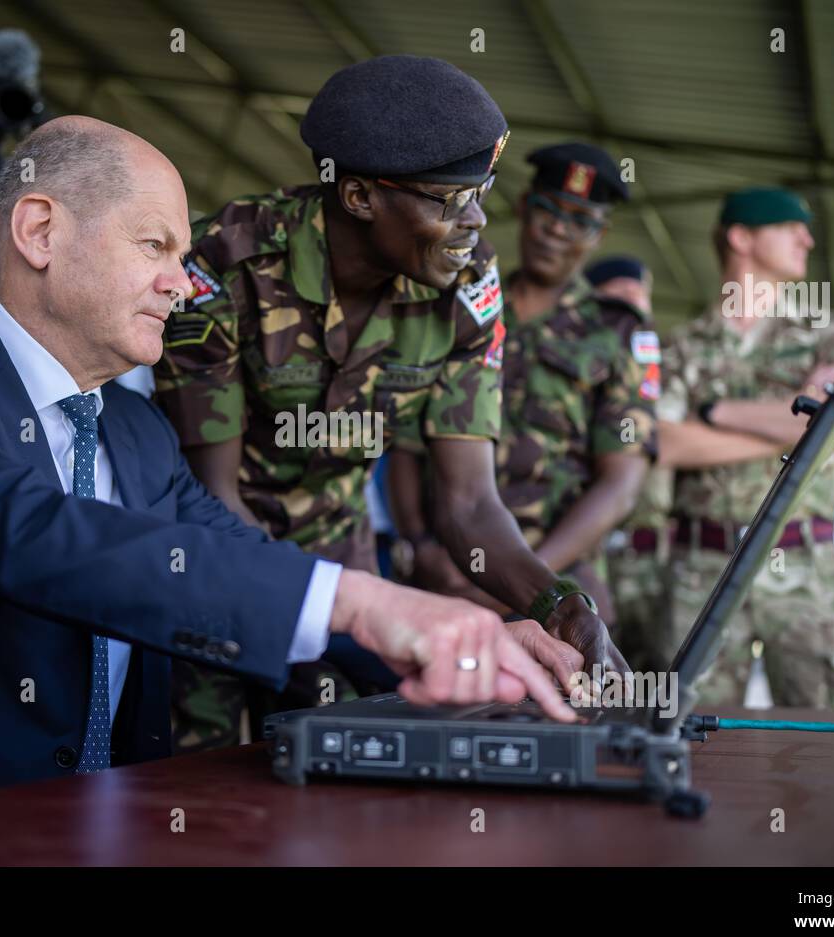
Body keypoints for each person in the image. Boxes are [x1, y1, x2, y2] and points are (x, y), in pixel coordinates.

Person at [0, 117, 583, 830]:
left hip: (88, 831)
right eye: (156, 247)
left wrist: (460, 639)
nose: (182, 283)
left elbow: (237, 554)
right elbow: (28, 531)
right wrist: (368, 600)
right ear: (41, 232)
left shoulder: (134, 433)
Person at [155, 58, 621, 752]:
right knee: (197, 781)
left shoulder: (466, 283)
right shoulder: (225, 265)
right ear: (359, 196)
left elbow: (466, 506)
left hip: (347, 566)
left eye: (483, 192)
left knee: (351, 773)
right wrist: (327, 615)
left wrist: (560, 605)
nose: (475, 221)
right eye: (447, 200)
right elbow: (213, 496)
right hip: (211, 567)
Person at [389, 144, 658, 637]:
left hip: (562, 592)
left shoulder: (619, 333)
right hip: (440, 581)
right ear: (522, 207)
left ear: (599, 234)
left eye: (578, 220)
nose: (557, 229)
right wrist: (421, 546)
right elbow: (406, 436)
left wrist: (524, 580)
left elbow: (620, 482)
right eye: (548, 211)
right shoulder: (460, 300)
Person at [655, 186, 834, 708]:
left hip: (805, 569)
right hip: (703, 567)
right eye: (788, 225)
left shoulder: (827, 334)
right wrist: (790, 421)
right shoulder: (684, 344)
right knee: (690, 741)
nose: (807, 237)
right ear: (741, 237)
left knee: (831, 748)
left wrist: (713, 413)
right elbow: (662, 442)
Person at [585, 256, 673, 670]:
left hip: (661, 563)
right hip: (591, 553)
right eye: (619, 295)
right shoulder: (582, 367)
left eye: (641, 292)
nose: (634, 303)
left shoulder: (668, 362)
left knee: (664, 684)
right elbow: (669, 441)